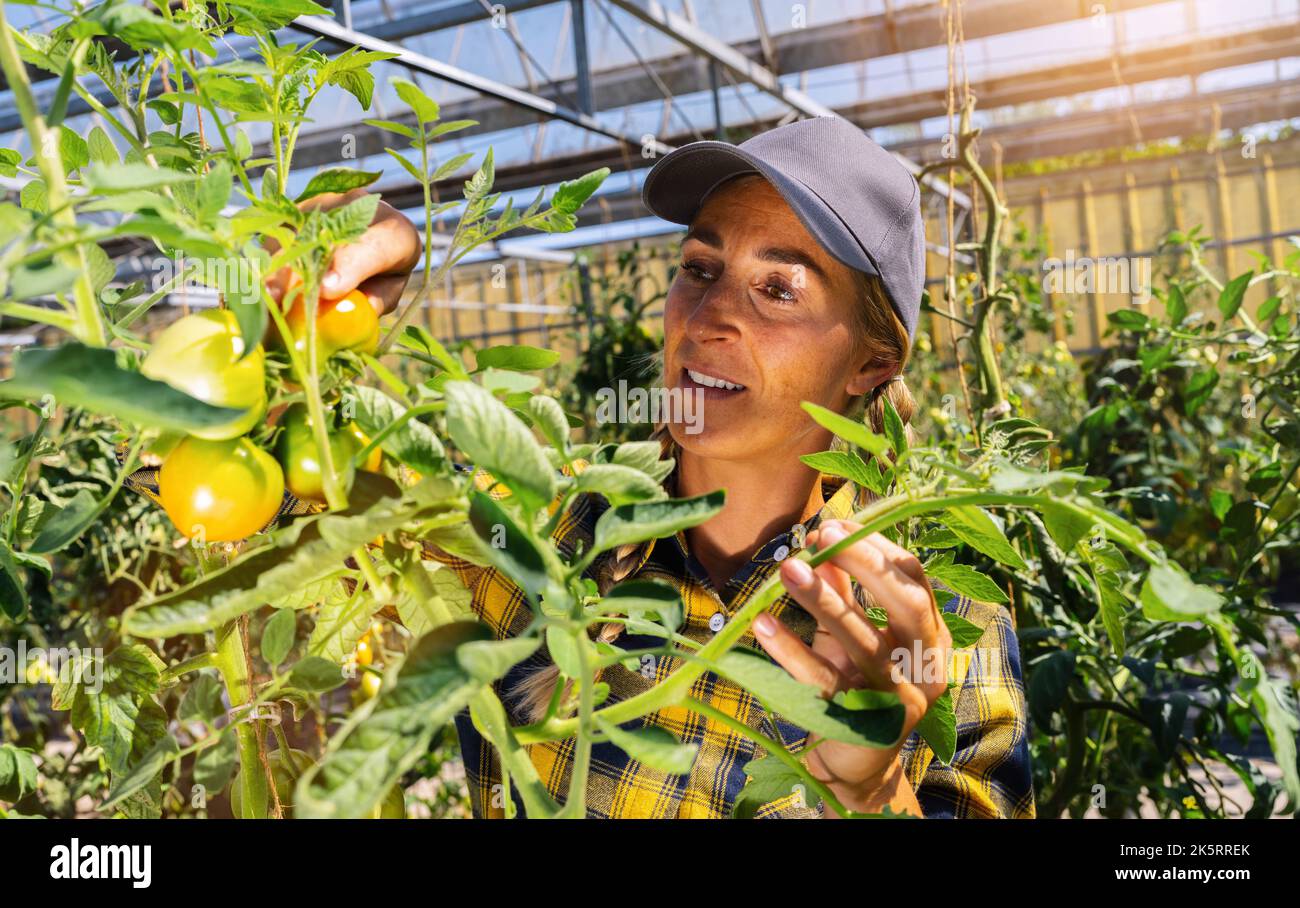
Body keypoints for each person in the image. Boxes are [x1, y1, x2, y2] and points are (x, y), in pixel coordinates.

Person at [151, 117, 1035, 818]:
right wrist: (311, 342)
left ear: (872, 367)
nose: (708, 317)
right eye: (700, 267)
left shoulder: (940, 628)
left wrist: (874, 790)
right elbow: (258, 513)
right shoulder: (538, 533)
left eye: (778, 288)